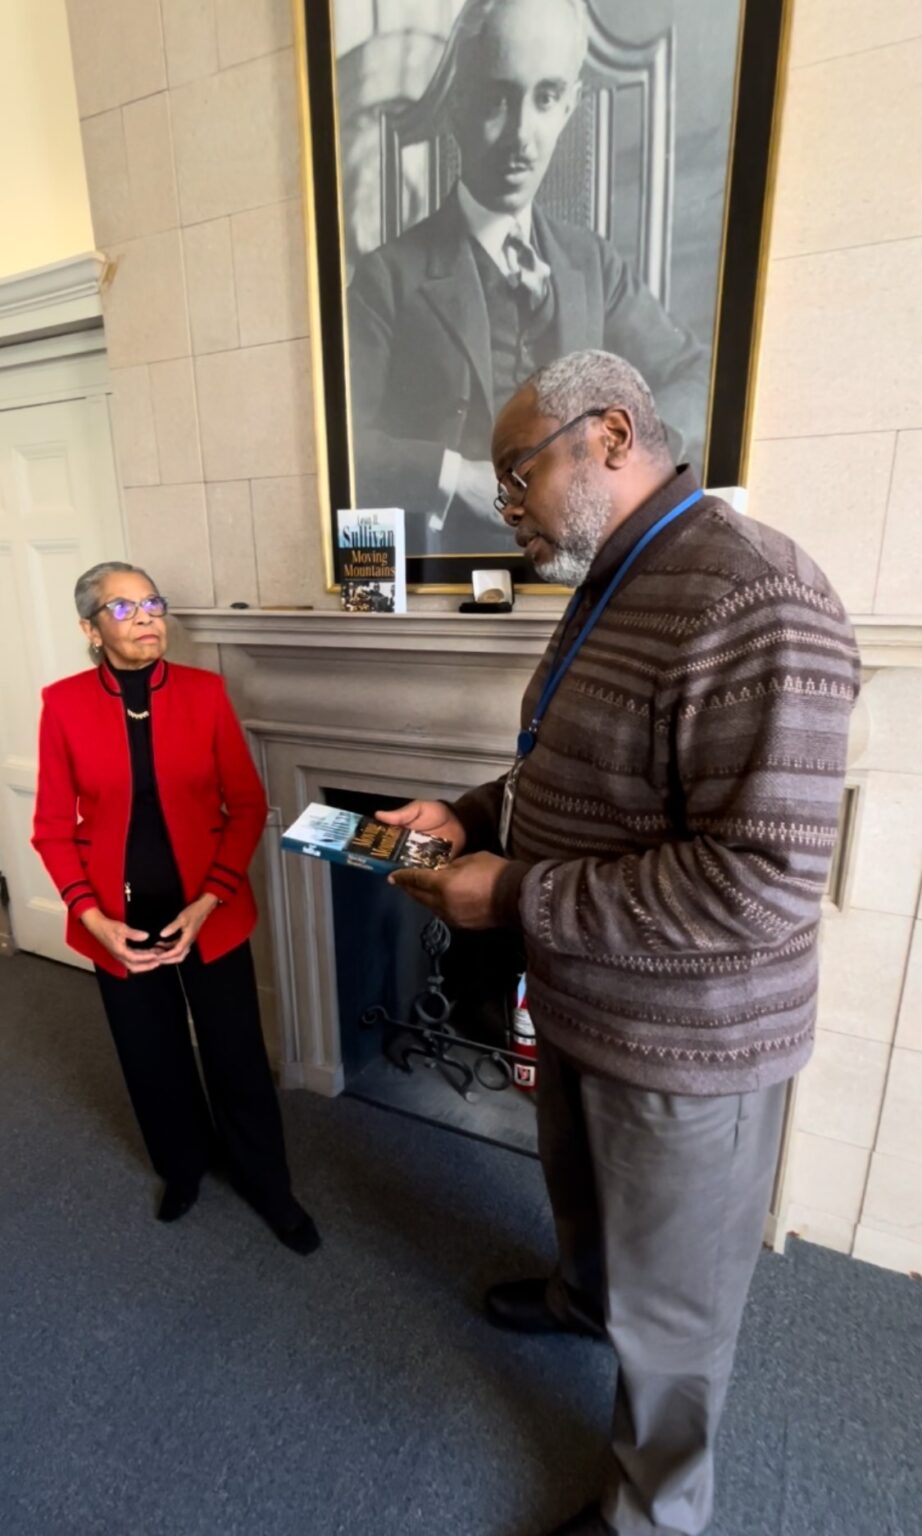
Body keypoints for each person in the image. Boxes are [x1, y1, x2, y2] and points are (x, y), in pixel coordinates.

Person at [380, 350, 860, 1535]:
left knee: (680, 1316)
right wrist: (476, 818)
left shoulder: (755, 598)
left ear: (605, 436)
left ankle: (658, 1512)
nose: (508, 508)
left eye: (516, 476)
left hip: (690, 1046)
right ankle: (582, 1297)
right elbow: (570, 773)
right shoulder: (616, 575)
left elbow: (761, 888)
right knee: (580, 1195)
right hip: (592, 1000)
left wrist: (518, 900)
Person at [32, 562, 320, 1255]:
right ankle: (183, 1167)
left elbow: (247, 805)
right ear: (90, 629)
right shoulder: (64, 705)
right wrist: (95, 920)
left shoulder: (205, 693)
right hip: (115, 918)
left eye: (153, 603)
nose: (148, 617)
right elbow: (51, 827)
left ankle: (266, 1184)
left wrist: (210, 900)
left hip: (208, 910)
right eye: (124, 608)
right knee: (151, 1056)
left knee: (236, 1054)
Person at [348, 0, 708, 554]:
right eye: (497, 98)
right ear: (457, 105)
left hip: (581, 566)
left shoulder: (594, 265)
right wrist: (452, 476)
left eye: (544, 98)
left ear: (569, 105)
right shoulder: (386, 279)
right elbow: (345, 441)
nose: (521, 136)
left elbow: (695, 377)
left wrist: (623, 458)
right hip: (448, 566)